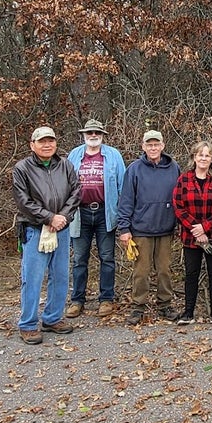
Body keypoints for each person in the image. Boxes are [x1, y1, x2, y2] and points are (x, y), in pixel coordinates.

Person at [11, 126, 80, 344]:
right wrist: (49, 217)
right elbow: (23, 201)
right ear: (33, 145)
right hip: (34, 229)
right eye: (42, 141)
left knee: (60, 276)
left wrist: (63, 218)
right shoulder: (22, 169)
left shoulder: (66, 165)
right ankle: (28, 324)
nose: (47, 144)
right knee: (32, 278)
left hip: (62, 229)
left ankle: (52, 318)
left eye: (51, 140)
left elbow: (76, 192)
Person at [115, 130, 182, 325]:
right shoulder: (134, 169)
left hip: (166, 228)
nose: (153, 148)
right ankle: (138, 307)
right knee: (141, 272)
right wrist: (124, 228)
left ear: (163, 145)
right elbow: (126, 200)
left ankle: (165, 304)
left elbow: (179, 198)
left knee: (164, 270)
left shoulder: (173, 167)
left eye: (156, 144)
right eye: (149, 144)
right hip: (141, 230)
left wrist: (179, 225)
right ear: (143, 147)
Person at [66, 119, 127, 319]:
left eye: (97, 132)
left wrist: (122, 215)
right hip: (79, 214)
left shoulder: (113, 155)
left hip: (105, 213)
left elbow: (122, 186)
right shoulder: (74, 155)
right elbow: (65, 186)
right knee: (79, 260)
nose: (93, 135)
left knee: (107, 258)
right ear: (84, 135)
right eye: (90, 132)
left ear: (102, 135)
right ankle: (77, 300)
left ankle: (106, 299)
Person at [172, 141, 212, 325]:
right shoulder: (184, 180)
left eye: (207, 155)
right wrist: (196, 229)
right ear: (194, 157)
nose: (203, 158)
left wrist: (205, 227)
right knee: (191, 273)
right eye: (200, 155)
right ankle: (188, 312)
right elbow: (178, 206)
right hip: (191, 237)